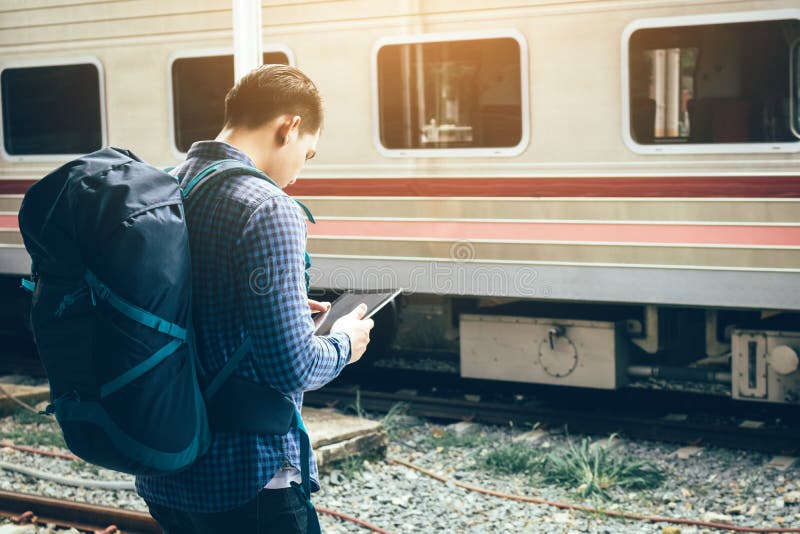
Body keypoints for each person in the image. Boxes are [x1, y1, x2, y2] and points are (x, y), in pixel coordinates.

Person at [136, 64, 374, 533]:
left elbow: (195, 307)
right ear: (290, 127)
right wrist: (346, 342)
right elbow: (294, 368)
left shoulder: (165, 186)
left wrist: (283, 310)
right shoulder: (268, 207)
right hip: (247, 479)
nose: (299, 173)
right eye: (308, 153)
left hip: (165, 471)